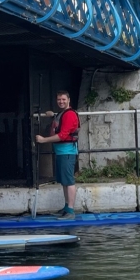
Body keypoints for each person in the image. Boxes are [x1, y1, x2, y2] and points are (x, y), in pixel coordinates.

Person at [35, 90, 80, 219]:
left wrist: (44, 140)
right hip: (61, 152)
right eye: (59, 100)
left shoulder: (70, 114)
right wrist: (52, 115)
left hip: (67, 152)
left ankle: (70, 210)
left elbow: (62, 135)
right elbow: (59, 121)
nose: (61, 102)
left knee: (68, 180)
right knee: (64, 181)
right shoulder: (62, 113)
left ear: (69, 100)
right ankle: (66, 208)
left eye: (63, 99)